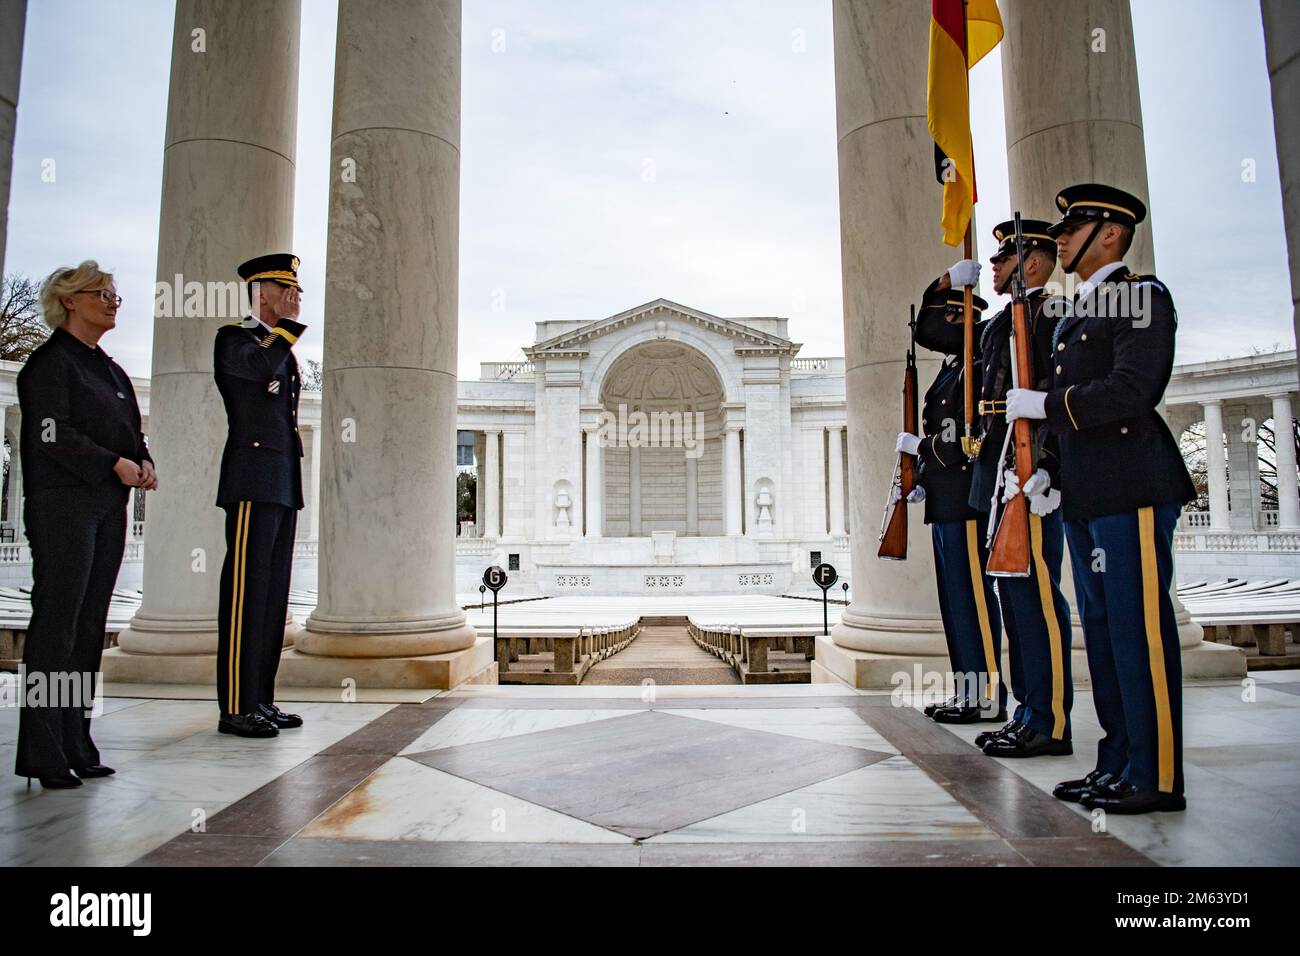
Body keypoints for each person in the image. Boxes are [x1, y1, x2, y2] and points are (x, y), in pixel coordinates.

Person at [1006, 183, 1197, 814]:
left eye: (1072, 228)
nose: (1058, 240)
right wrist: (1047, 470)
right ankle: (1116, 762)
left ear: (1109, 233)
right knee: (1108, 632)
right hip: (1087, 491)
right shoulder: (1079, 312)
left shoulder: (1141, 297)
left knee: (1139, 630)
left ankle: (1156, 773)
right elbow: (1071, 416)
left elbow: (1132, 391)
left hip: (1131, 484)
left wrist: (1048, 406)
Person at [15, 261, 157, 788]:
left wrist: (143, 460)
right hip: (64, 506)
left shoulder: (111, 369)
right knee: (59, 623)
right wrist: (110, 464)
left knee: (89, 624)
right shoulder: (50, 365)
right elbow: (52, 435)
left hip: (106, 504)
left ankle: (77, 737)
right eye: (102, 293)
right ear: (69, 300)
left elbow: (128, 431)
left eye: (116, 295)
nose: (113, 301)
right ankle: (44, 748)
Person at [970, 220, 1074, 759]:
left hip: (1029, 470)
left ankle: (1049, 719)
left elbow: (1053, 395)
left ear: (1032, 262)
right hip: (999, 463)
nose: (992, 267)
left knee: (1035, 593)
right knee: (1013, 594)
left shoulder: (1051, 313)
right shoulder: (999, 323)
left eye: (1002, 258)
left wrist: (1047, 467)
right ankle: (1028, 710)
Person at [897, 271, 1005, 725]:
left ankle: (985, 695)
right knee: (955, 601)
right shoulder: (953, 368)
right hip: (946, 499)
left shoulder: (977, 364)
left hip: (965, 499)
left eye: (941, 319)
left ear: (961, 320)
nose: (929, 333)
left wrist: (920, 450)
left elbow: (967, 437)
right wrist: (922, 475)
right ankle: (969, 693)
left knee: (973, 598)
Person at [213, 253, 308, 738]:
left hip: (280, 480)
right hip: (252, 479)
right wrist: (287, 328)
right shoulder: (235, 339)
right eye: (287, 289)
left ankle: (261, 698)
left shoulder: (277, 347)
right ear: (261, 292)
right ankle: (235, 704)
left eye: (298, 291)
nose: (295, 297)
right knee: (246, 594)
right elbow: (257, 368)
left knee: (271, 596)